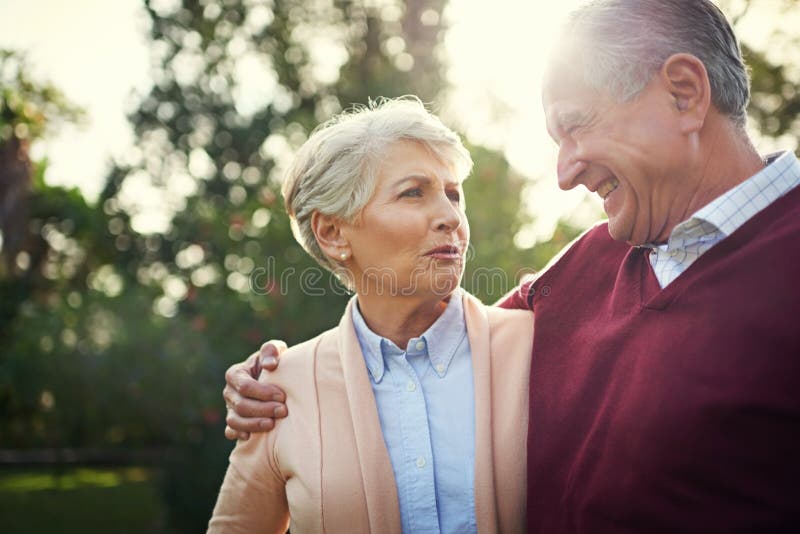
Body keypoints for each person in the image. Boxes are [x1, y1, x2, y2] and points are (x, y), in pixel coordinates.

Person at [224, 1, 800, 532]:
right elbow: (433, 345)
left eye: (576, 126)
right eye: (413, 193)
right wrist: (271, 376)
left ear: (683, 93)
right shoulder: (580, 273)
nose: (565, 173)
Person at [208, 97, 533, 533]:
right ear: (332, 233)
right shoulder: (278, 389)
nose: (450, 217)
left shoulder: (538, 345)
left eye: (453, 194)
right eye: (413, 192)